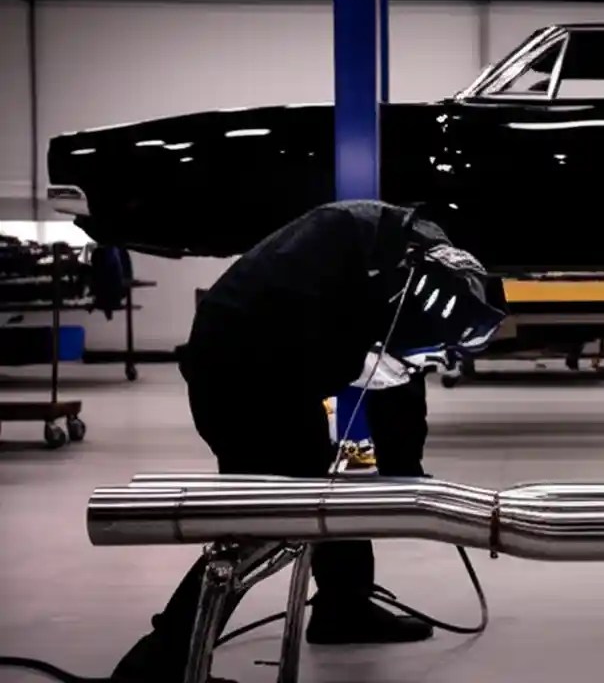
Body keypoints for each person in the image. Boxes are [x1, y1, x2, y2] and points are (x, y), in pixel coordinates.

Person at [110, 200, 506, 681]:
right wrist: (349, 362)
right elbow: (285, 339)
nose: (433, 362)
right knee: (263, 522)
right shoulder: (334, 254)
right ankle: (158, 663)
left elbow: (403, 381)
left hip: (287, 363)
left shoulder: (402, 263)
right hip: (236, 370)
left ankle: (344, 607)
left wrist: (407, 470)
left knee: (330, 494)